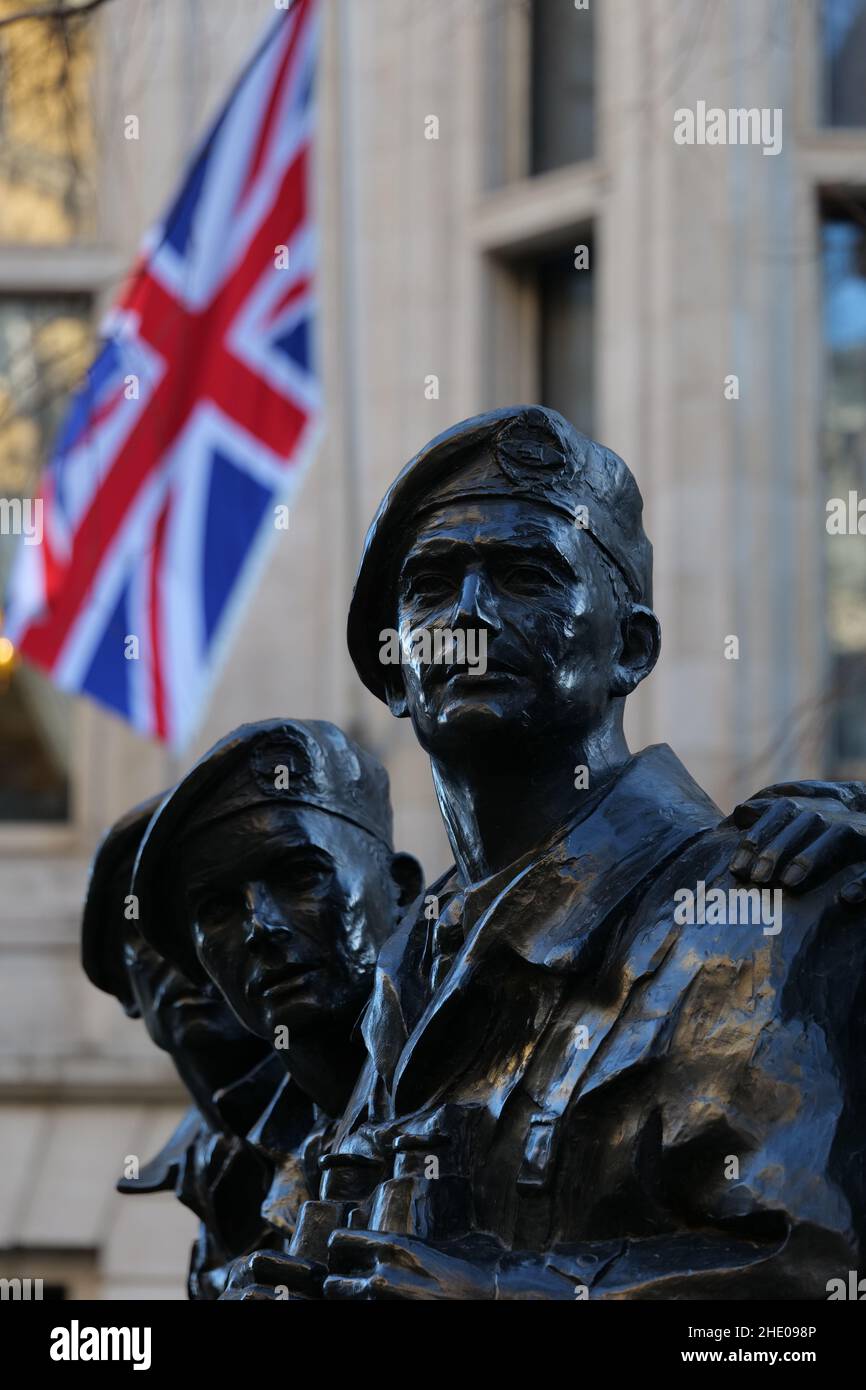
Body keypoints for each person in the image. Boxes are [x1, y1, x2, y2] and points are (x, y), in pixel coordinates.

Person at [308, 403, 866, 1300]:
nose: (470, 613)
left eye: (527, 575)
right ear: (396, 675)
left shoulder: (752, 916)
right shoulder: (409, 961)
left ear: (632, 648)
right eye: (433, 584)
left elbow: (801, 1312)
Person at [131, 718, 423, 1289]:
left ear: (401, 891)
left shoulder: (489, 1089)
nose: (259, 927)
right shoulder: (262, 1165)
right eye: (217, 910)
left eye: (300, 875)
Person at [82, 796, 277, 1299]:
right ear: (126, 989)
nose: (186, 956)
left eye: (208, 913)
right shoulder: (197, 1158)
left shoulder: (363, 1125)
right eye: (146, 931)